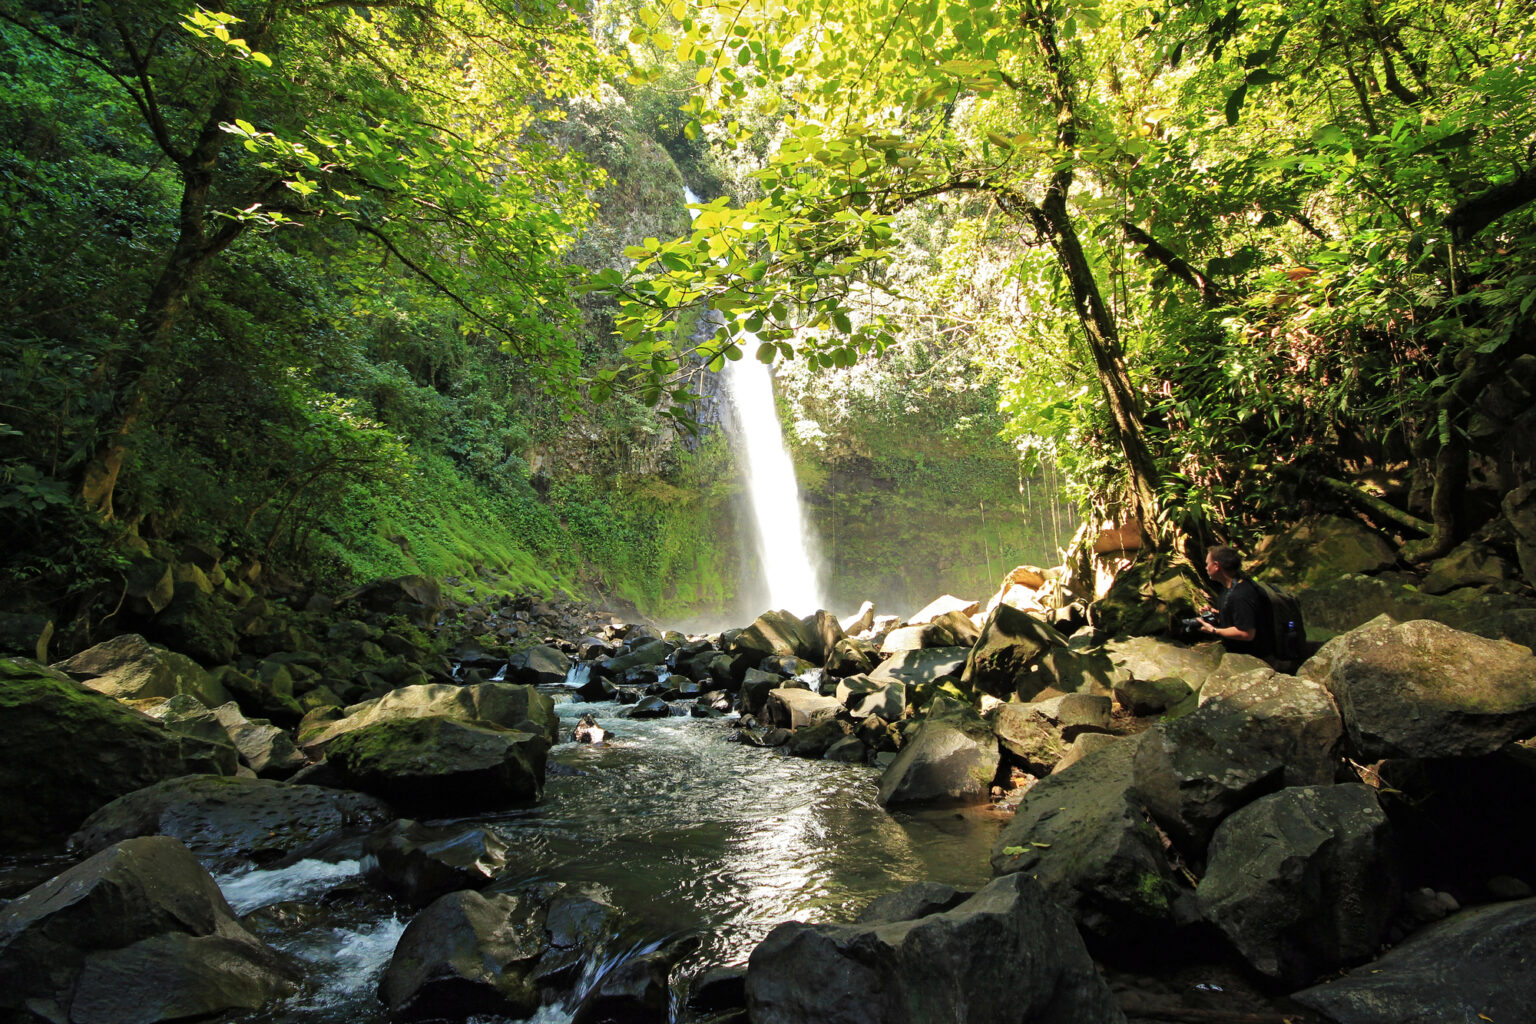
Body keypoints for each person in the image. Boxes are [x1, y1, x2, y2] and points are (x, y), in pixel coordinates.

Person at [1196, 545, 1274, 660]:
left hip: (1255, 660)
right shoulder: (1229, 588)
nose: (1206, 568)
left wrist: (1214, 630)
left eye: (1208, 564)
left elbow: (1246, 633)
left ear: (1217, 566)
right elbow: (1241, 616)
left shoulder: (1241, 594)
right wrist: (1218, 615)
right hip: (1240, 656)